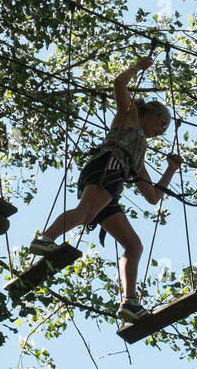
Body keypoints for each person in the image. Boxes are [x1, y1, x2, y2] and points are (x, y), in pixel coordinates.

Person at [30, 55, 182, 323]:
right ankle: (45, 239)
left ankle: (130, 302)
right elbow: (119, 83)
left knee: (134, 246)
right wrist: (137, 67)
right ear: (151, 115)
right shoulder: (131, 115)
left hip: (114, 181)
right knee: (85, 212)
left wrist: (170, 169)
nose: (161, 132)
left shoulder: (138, 155)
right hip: (106, 167)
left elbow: (152, 197)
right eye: (162, 125)